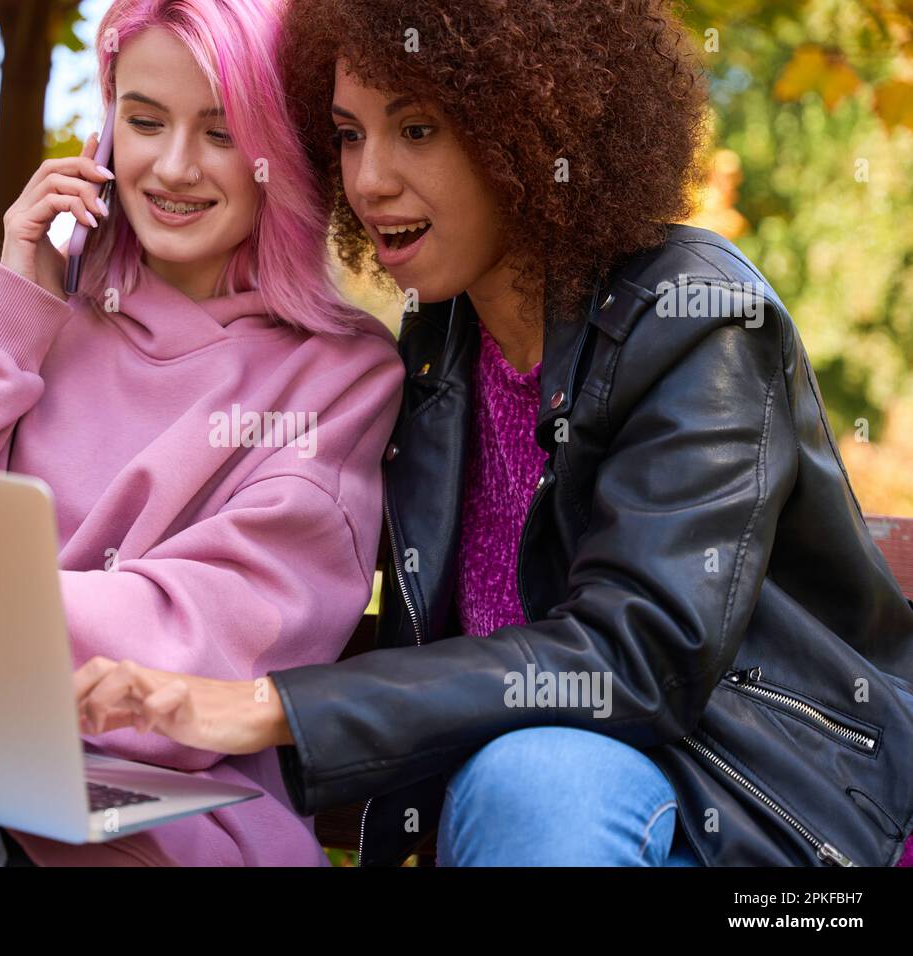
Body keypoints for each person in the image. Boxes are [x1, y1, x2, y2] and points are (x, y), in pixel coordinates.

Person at [75, 0, 913, 867]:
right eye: (350, 135)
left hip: (770, 815)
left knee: (535, 780)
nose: (368, 180)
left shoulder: (695, 317)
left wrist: (272, 705)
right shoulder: (434, 353)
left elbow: (635, 654)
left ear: (526, 126)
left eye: (417, 129)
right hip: (534, 822)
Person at [0, 0, 404, 867]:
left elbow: (217, 634)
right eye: (142, 121)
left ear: (278, 151)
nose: (172, 167)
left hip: (148, 816)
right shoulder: (24, 310)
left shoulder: (339, 376)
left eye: (220, 133)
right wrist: (12, 310)